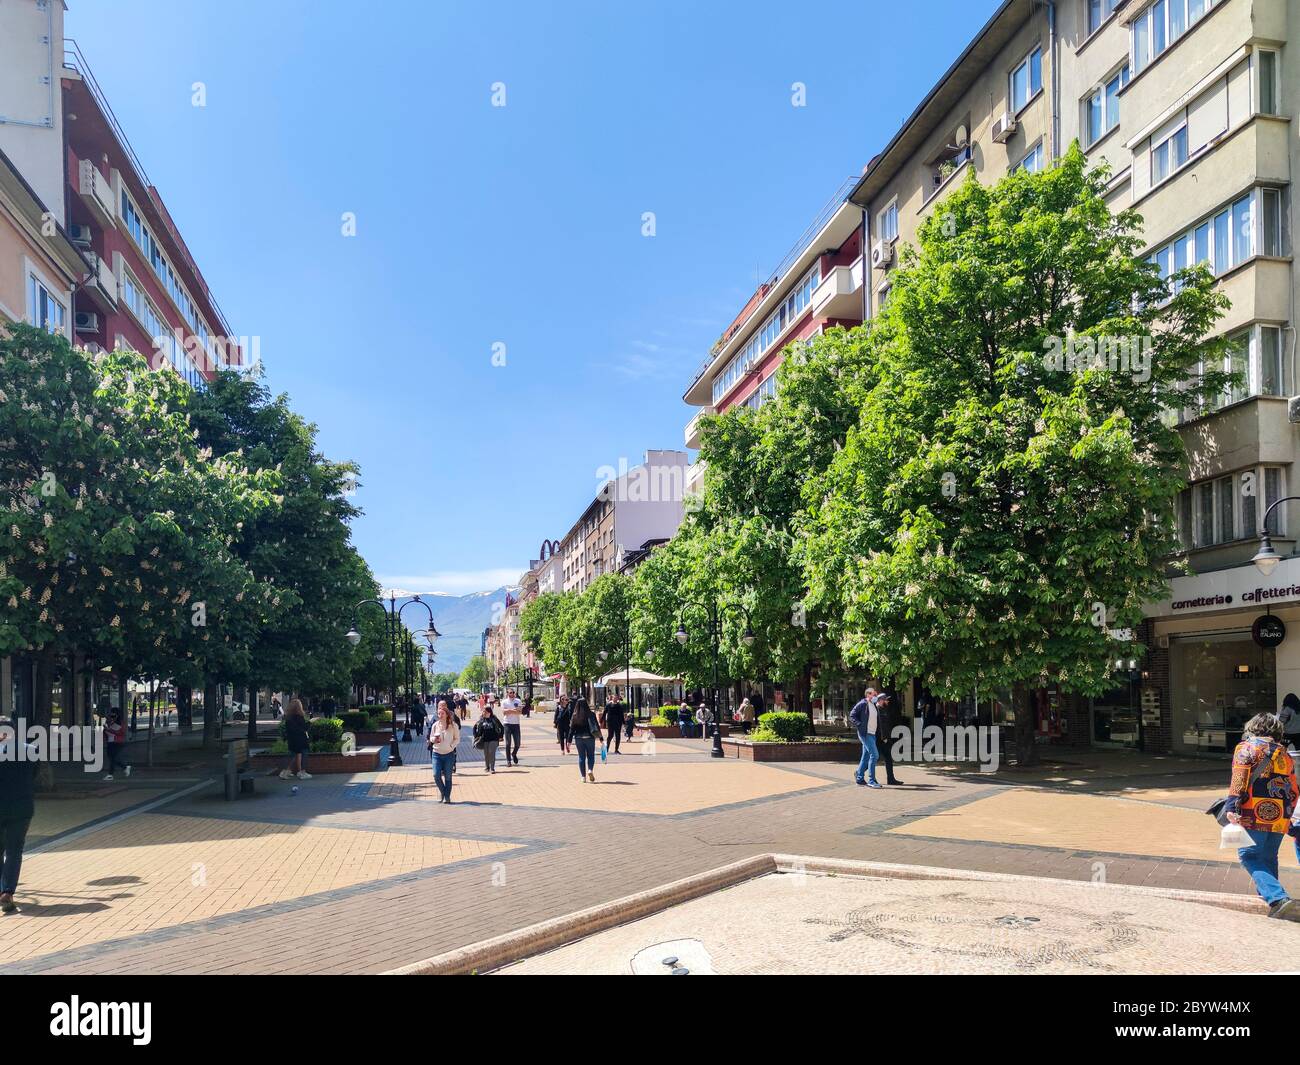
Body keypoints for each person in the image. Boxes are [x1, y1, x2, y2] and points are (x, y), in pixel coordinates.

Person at [1223, 712, 1300, 920]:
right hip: (1279, 814)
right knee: (1267, 856)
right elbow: (1293, 788)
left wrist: (1232, 806)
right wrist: (1289, 813)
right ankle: (1271, 899)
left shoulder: (1246, 748)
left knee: (1249, 855)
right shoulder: (1284, 755)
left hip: (1253, 812)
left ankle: (1277, 898)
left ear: (1253, 727)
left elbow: (1239, 778)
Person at [0, 721, 37, 914]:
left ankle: (2, 890)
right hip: (22, 808)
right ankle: (7, 891)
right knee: (14, 850)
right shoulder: (31, 750)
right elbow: (33, 776)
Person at [849, 687, 881, 789]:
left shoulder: (873, 705)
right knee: (875, 755)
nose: (875, 696)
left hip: (872, 734)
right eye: (874, 694)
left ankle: (859, 776)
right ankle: (872, 780)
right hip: (865, 733)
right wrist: (860, 724)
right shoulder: (863, 704)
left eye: (876, 694)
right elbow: (852, 715)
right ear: (868, 695)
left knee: (866, 757)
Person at [428, 701, 460, 803]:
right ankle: (443, 792)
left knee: (448, 776)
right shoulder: (435, 725)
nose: (440, 715)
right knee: (436, 775)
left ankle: (447, 796)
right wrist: (434, 740)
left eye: (442, 713)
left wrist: (451, 746)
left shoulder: (453, 725)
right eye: (439, 713)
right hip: (436, 753)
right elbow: (431, 737)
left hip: (448, 754)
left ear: (447, 714)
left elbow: (457, 739)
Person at [569, 696, 601, 783]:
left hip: (579, 738)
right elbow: (597, 726)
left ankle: (583, 777)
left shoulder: (575, 715)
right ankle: (590, 770)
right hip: (590, 738)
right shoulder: (591, 714)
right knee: (591, 756)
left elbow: (571, 729)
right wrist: (601, 738)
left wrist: (568, 741)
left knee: (581, 757)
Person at [279, 698, 312, 780]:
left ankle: (284, 772)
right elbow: (304, 728)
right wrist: (311, 722)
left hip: (292, 740)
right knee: (304, 754)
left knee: (291, 755)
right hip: (301, 739)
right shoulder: (299, 717)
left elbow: (290, 729)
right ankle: (302, 772)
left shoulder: (288, 718)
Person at [875, 692, 903, 786]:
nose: (887, 701)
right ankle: (859, 772)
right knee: (875, 758)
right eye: (886, 699)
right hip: (880, 739)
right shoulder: (877, 709)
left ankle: (891, 779)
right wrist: (883, 737)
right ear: (881, 700)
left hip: (884, 738)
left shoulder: (883, 709)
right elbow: (880, 725)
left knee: (887, 759)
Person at [473, 700, 505, 774]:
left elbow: (501, 727)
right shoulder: (481, 719)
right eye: (483, 711)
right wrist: (476, 736)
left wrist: (500, 736)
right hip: (484, 739)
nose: (483, 712)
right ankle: (487, 767)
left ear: (489, 712)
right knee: (486, 754)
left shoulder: (494, 719)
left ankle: (492, 768)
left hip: (494, 739)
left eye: (484, 711)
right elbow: (475, 727)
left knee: (491, 752)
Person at [103, 711, 131, 782]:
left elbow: (120, 733)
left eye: (113, 716)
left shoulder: (120, 724)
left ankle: (110, 775)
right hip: (110, 743)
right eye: (110, 716)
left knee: (113, 759)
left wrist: (108, 730)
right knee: (111, 758)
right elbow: (106, 733)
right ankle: (125, 767)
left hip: (117, 743)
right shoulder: (110, 723)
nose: (111, 717)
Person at [501, 689, 523, 766]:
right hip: (507, 724)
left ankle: (513, 754)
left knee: (517, 744)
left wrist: (509, 711)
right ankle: (508, 761)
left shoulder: (518, 701)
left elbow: (520, 712)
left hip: (516, 724)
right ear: (507, 693)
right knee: (508, 744)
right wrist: (513, 710)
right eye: (510, 693)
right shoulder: (504, 702)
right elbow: (504, 712)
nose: (512, 694)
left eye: (513, 692)